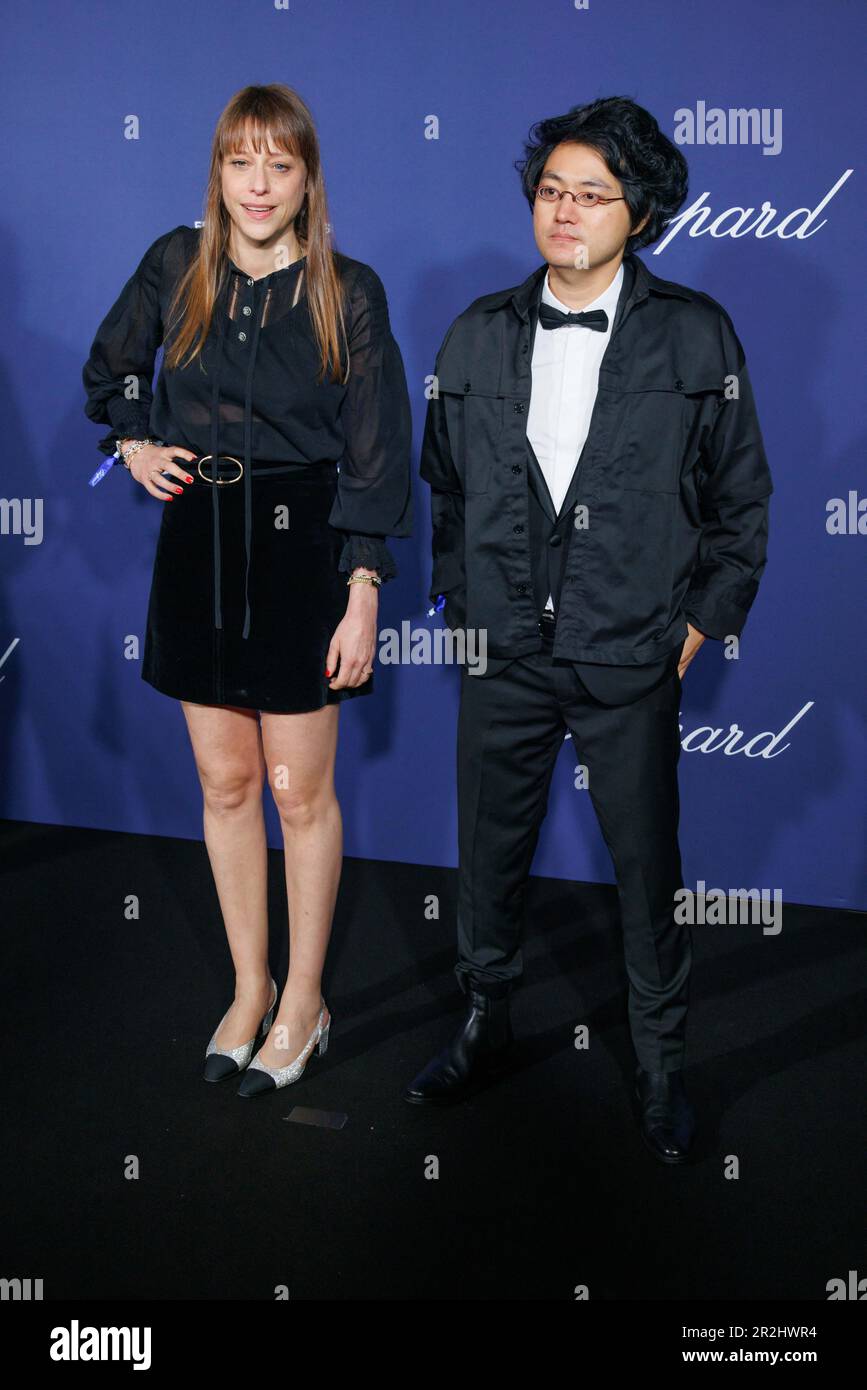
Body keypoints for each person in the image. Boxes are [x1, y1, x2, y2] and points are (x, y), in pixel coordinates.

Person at [406, 96, 773, 1163]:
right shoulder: (476, 330)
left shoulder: (699, 334)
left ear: (641, 212)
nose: (565, 212)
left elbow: (742, 505)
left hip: (630, 656)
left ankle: (662, 1067)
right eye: (551, 191)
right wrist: (462, 604)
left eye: (593, 195)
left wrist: (702, 622)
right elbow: (443, 485)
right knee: (487, 858)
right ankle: (484, 1020)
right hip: (504, 652)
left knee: (647, 871)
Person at [82, 84, 412, 1097]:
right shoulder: (175, 265)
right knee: (225, 786)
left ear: (308, 177)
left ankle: (305, 1001)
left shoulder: (347, 288)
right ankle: (248, 985)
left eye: (279, 163)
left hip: (301, 547)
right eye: (240, 162)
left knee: (294, 792)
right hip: (195, 542)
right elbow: (111, 368)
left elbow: (376, 452)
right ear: (217, 173)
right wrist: (135, 437)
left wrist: (361, 588)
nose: (258, 184)